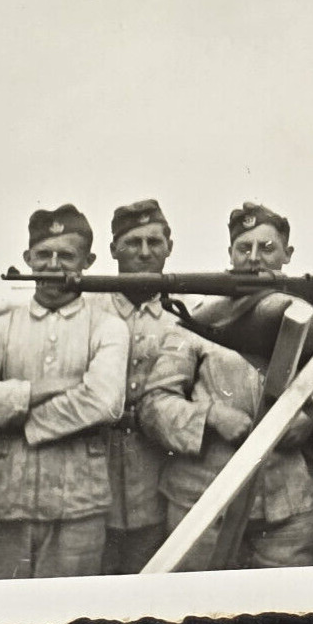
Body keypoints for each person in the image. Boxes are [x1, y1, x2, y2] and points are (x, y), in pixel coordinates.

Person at [138, 202, 313, 570]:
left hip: (287, 503)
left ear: (288, 255)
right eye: (244, 248)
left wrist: (312, 420)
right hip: (204, 500)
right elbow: (154, 403)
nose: (254, 258)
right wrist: (211, 416)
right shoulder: (199, 323)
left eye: (267, 249)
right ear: (230, 254)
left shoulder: (312, 319)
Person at [0, 205, 130, 578]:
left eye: (66, 256)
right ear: (27, 259)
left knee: (69, 620)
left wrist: (15, 418)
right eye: (43, 255)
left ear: (88, 261)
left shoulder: (108, 328)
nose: (53, 265)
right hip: (1, 506)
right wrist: (39, 389)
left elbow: (103, 402)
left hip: (78, 509)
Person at [94, 199, 181, 574]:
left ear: (169, 247)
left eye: (154, 242)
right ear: (113, 249)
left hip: (160, 466)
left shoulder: (188, 312)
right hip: (95, 463)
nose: (144, 253)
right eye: (132, 243)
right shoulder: (88, 309)